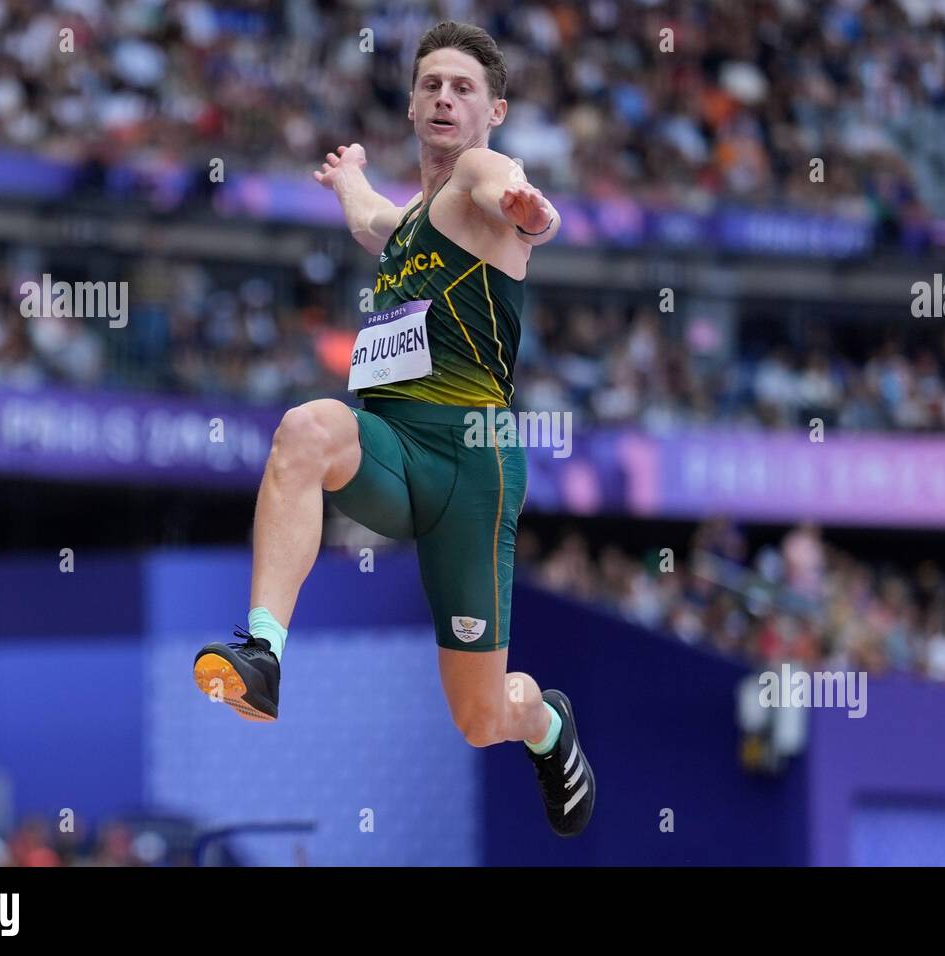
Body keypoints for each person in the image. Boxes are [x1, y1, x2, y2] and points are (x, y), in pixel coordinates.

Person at [193, 21, 594, 837]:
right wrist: (349, 180)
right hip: (394, 449)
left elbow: (508, 193)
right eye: (431, 86)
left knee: (481, 719)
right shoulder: (415, 220)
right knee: (306, 429)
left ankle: (548, 725)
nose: (445, 98)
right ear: (411, 104)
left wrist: (532, 212)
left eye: (464, 88)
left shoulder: (483, 172)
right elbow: (376, 222)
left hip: (471, 473)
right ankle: (262, 653)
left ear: (495, 110)